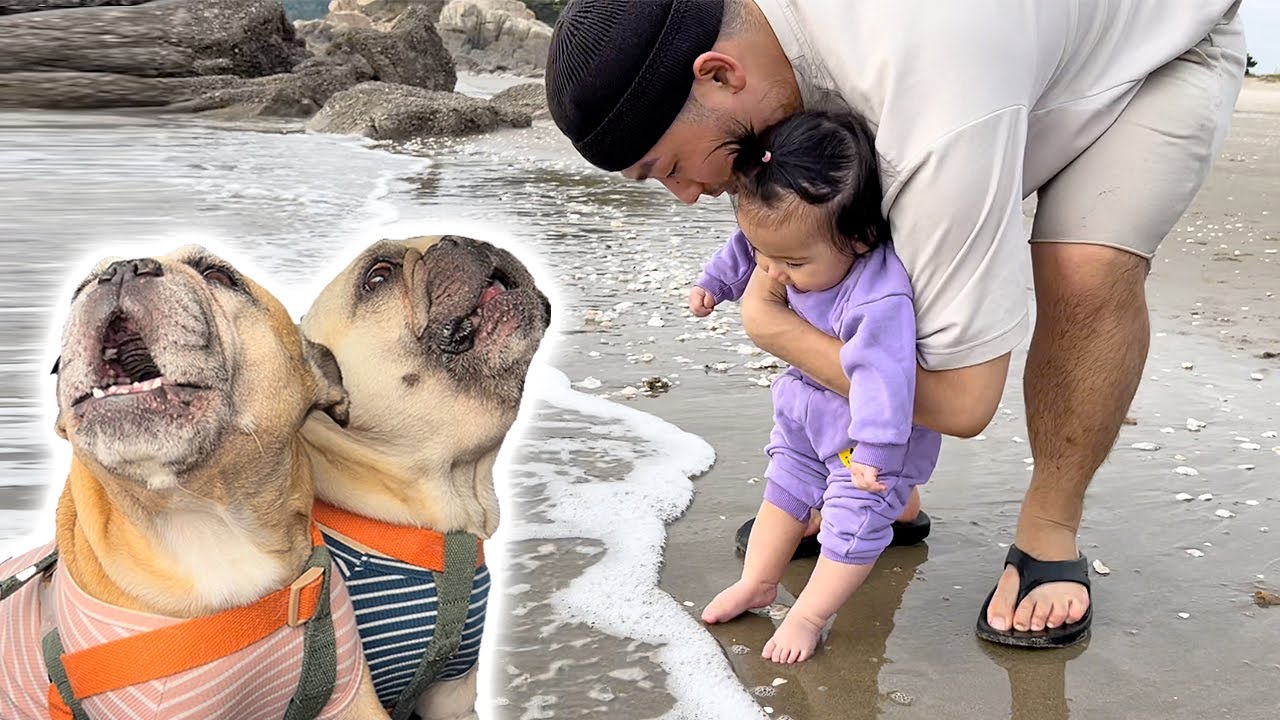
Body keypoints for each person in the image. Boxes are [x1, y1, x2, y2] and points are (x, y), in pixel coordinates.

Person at [544, 0, 1247, 648]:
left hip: (1161, 43)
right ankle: (894, 497)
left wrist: (775, 328)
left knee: (1080, 267)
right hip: (1007, 58)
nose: (687, 196)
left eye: (667, 168)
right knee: (832, 219)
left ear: (720, 73)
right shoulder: (763, 49)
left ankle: (1049, 530)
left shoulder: (933, 105)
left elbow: (966, 403)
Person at [692, 108, 942, 664]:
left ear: (858, 238)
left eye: (793, 262)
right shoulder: (782, 240)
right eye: (766, 256)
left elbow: (885, 376)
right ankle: (758, 583)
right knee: (783, 488)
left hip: (869, 433)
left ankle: (808, 614)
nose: (774, 272)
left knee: (853, 521)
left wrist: (877, 451)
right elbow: (747, 243)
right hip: (805, 406)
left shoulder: (878, 297)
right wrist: (717, 281)